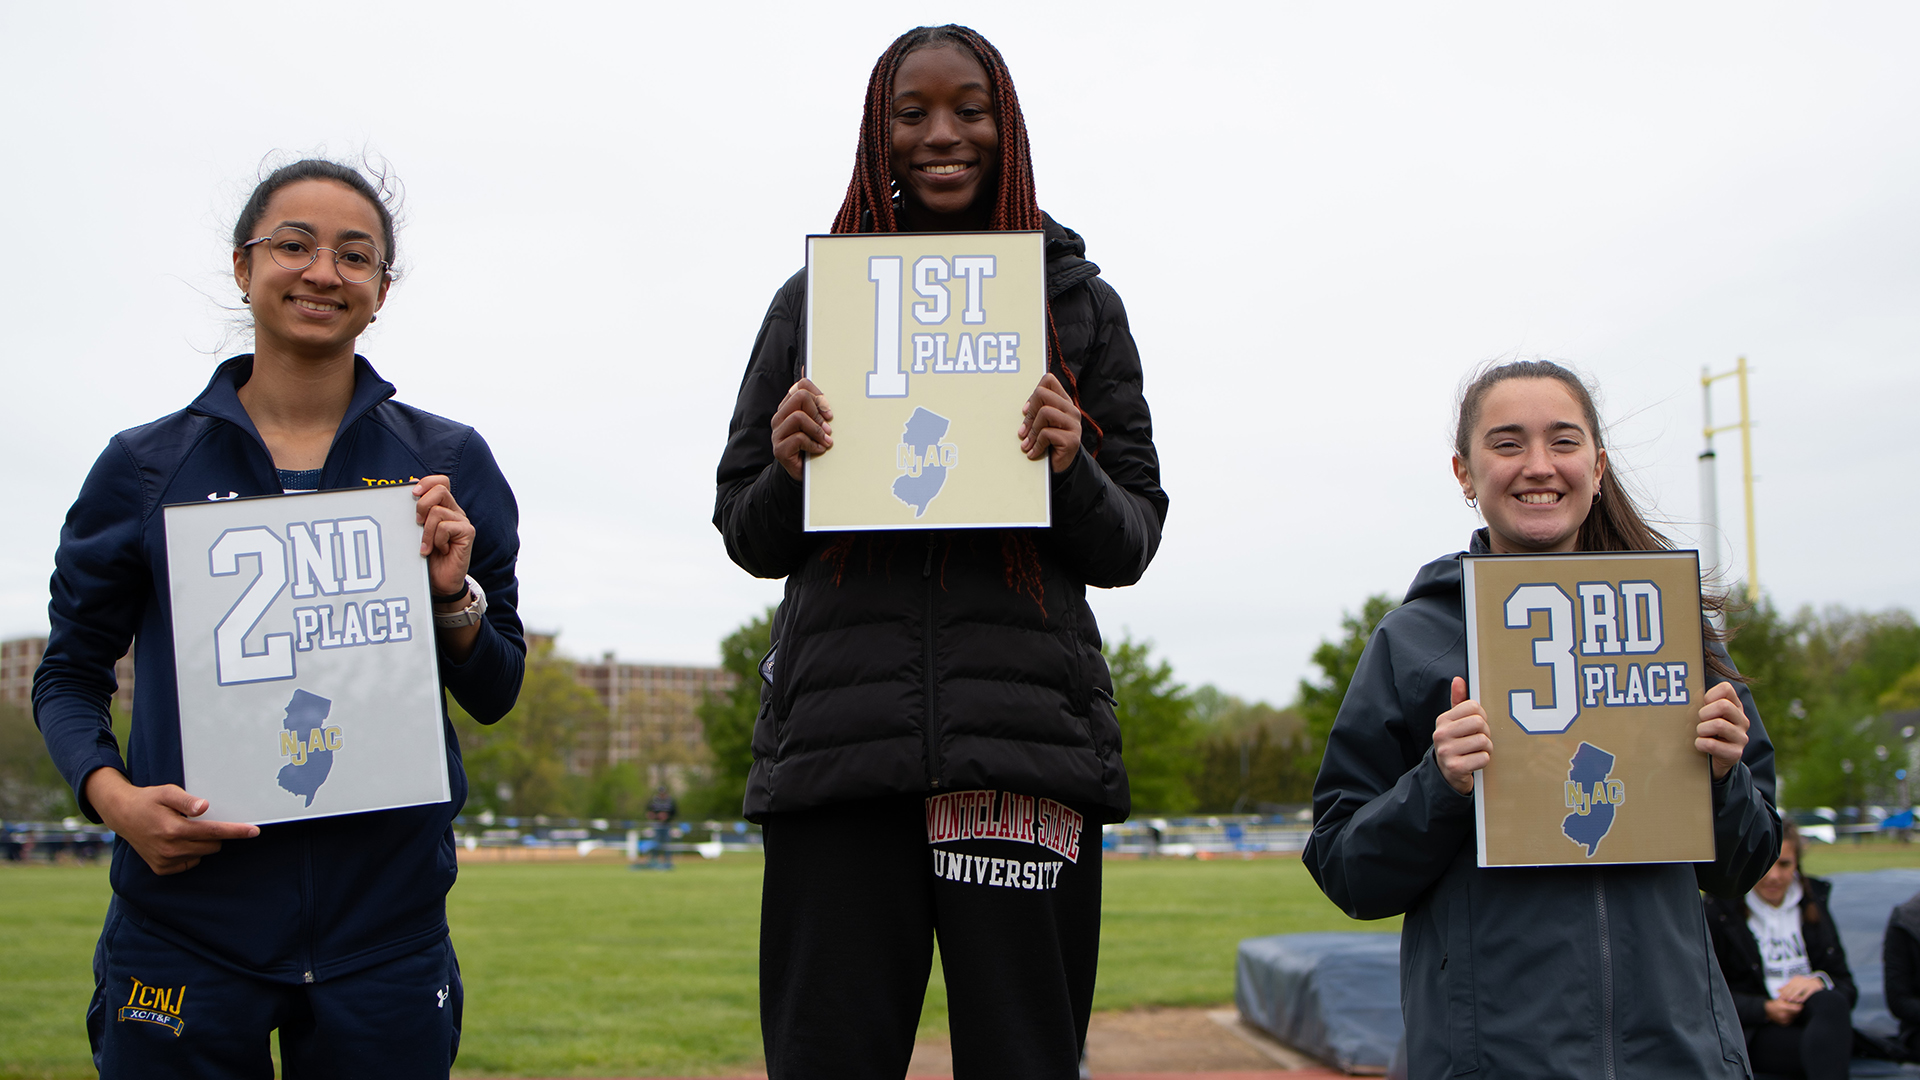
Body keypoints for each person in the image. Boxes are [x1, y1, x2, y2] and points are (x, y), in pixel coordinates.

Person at [713, 24, 1166, 1079]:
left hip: (1023, 756)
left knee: (1024, 1059)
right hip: (840, 756)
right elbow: (745, 530)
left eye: (970, 108)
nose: (942, 134)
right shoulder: (813, 303)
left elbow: (1132, 538)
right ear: (879, 135)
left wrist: (1070, 467)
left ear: (1009, 127)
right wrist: (789, 468)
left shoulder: (1077, 305)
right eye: (910, 114)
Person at [33, 158, 524, 1079]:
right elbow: (69, 672)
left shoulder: (447, 463)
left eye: (355, 255)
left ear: (382, 289)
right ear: (242, 265)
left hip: (386, 929)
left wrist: (451, 597)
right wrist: (113, 798)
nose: (322, 272)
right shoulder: (144, 468)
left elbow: (496, 688)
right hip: (185, 922)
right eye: (293, 245)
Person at [1302, 359, 1779, 1079]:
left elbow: (1747, 864)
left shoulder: (1671, 626)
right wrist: (1439, 783)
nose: (1538, 466)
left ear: (1598, 466)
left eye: (1562, 441)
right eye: (1507, 443)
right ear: (1464, 473)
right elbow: (1346, 870)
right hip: (1496, 1059)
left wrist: (1722, 777)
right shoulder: (1411, 642)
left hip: (1678, 1054)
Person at [1706, 821, 1857, 1080]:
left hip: (1815, 1017)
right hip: (1754, 1029)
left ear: (1797, 865)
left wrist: (1818, 981)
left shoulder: (1814, 902)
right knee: (1824, 1050)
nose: (1774, 876)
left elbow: (1847, 988)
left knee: (1830, 1005)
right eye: (1764, 865)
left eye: (1784, 864)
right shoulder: (1719, 911)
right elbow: (1706, 996)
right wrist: (1765, 1008)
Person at [643, 784, 678, 870]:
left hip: (667, 825)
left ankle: (667, 860)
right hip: (656, 825)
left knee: (667, 842)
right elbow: (648, 811)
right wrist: (653, 815)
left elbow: (675, 812)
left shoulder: (670, 801)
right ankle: (654, 859)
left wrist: (667, 817)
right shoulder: (654, 801)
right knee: (655, 842)